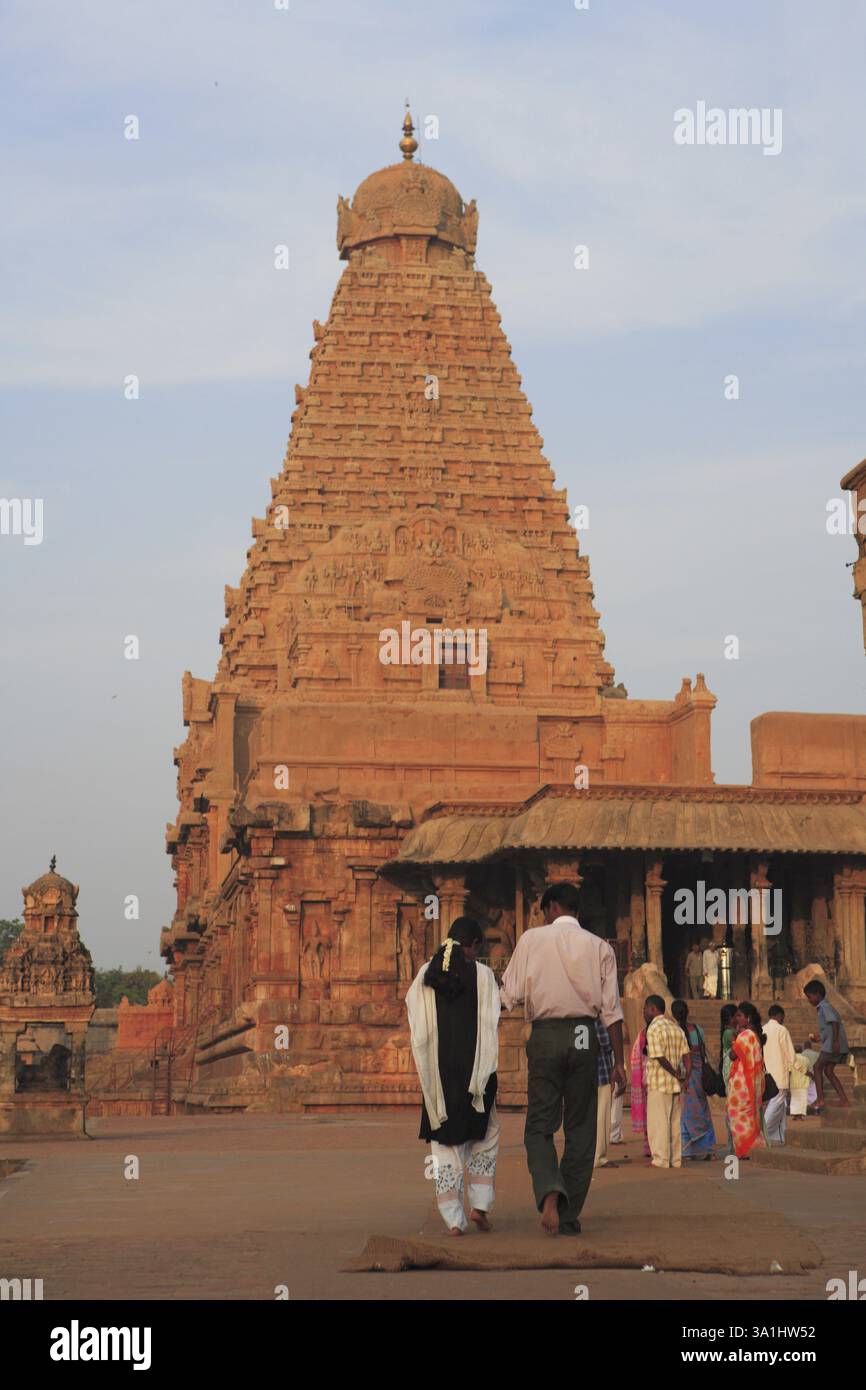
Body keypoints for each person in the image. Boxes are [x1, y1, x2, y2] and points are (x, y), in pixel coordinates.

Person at [501, 882, 625, 1236]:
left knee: (540, 1124)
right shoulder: (600, 946)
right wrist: (618, 1061)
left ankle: (549, 1189)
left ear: (552, 907)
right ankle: (568, 1212)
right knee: (582, 1125)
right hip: (585, 1036)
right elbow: (612, 1011)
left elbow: (509, 994)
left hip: (546, 1034)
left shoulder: (530, 940)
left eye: (543, 910)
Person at [405, 917, 500, 1235]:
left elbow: (415, 1019)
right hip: (476, 1076)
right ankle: (480, 1207)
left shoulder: (423, 975)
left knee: (446, 1147)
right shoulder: (483, 975)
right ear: (473, 946)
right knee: (485, 1138)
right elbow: (491, 1023)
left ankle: (453, 1219)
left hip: (439, 1077)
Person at [644, 995, 690, 1168]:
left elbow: (659, 1057)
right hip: (675, 1084)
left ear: (653, 1009)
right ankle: (675, 1159)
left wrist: (675, 1073)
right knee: (674, 1123)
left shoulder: (654, 1028)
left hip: (660, 1082)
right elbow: (687, 1056)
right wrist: (685, 1077)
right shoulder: (676, 1028)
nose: (644, 1013)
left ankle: (661, 1159)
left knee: (659, 1122)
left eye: (646, 1009)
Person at [670, 998, 716, 1160]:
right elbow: (702, 1053)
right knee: (703, 1111)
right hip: (699, 1076)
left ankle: (688, 1151)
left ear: (673, 1014)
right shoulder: (698, 1029)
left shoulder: (674, 1031)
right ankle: (707, 1150)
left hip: (684, 1077)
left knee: (685, 1114)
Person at [726, 1001, 766, 1159]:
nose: (737, 1018)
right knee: (750, 1116)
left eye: (740, 1016)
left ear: (748, 1018)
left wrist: (734, 1041)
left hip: (742, 1082)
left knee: (738, 1114)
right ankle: (755, 1147)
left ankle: (744, 1149)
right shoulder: (754, 1035)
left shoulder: (745, 1035)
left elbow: (732, 1055)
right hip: (753, 1081)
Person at [804, 980, 850, 1110]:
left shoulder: (825, 1007)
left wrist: (835, 1041)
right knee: (828, 1071)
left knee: (817, 1067)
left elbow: (834, 1022)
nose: (809, 1000)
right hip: (832, 1043)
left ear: (817, 994)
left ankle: (820, 1099)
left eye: (809, 996)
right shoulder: (824, 1008)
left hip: (832, 1045)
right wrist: (819, 1037)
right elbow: (829, 1028)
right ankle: (844, 1099)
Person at [763, 1004, 795, 1144]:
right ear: (779, 1015)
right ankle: (762, 1132)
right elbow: (790, 1053)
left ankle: (779, 1135)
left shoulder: (762, 1029)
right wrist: (800, 1068)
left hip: (766, 1073)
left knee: (781, 1105)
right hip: (779, 1074)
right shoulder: (782, 1030)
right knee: (776, 1103)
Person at [593, 1018, 623, 1168]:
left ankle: (587, 1155)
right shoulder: (596, 1018)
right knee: (601, 1117)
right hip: (601, 1072)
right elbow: (605, 1041)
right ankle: (598, 1157)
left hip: (580, 1074)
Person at [629, 1022, 651, 1157]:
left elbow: (635, 1056)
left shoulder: (643, 1034)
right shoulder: (643, 1034)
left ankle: (650, 1146)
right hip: (651, 1078)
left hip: (647, 1078)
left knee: (650, 1114)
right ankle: (652, 1146)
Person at [719, 1003, 737, 1157]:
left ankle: (733, 1143)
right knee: (732, 1109)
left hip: (730, 1071)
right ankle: (733, 1143)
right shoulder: (729, 1033)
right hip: (731, 1071)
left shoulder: (728, 1031)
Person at [789, 1045, 813, 1120]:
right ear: (802, 1050)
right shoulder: (806, 1059)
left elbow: (789, 1071)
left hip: (794, 1082)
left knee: (795, 1099)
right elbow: (809, 1069)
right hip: (804, 1082)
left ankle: (795, 1115)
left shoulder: (791, 1060)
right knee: (802, 1100)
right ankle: (799, 1115)